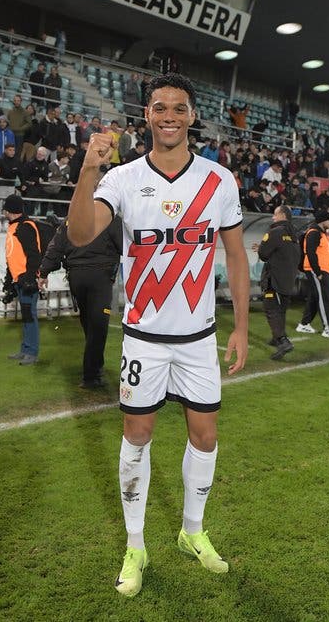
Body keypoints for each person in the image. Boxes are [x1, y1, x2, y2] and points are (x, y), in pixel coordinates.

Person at [68, 73, 249, 597]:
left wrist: (240, 325)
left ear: (192, 116)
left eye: (179, 107)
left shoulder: (219, 180)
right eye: (160, 108)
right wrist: (88, 169)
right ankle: (135, 545)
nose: (169, 116)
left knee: (206, 436)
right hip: (143, 339)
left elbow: (236, 255)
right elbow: (80, 234)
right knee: (137, 436)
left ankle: (192, 532)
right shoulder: (122, 178)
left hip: (198, 338)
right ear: (146, 116)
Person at [39, 216, 122, 387]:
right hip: (100, 276)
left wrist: (44, 271)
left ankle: (94, 367)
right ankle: (92, 375)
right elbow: (125, 245)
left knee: (89, 325)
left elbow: (56, 246)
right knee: (98, 327)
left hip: (77, 277)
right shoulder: (110, 217)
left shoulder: (72, 218)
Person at [254, 205, 300, 359]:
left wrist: (261, 248)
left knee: (271, 309)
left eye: (275, 214)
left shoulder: (275, 232)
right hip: (289, 279)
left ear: (283, 215)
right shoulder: (295, 233)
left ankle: (282, 341)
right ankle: (276, 337)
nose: (273, 218)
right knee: (281, 310)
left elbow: (263, 254)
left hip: (274, 279)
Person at [2, 194, 41, 365]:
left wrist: (29, 277)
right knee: (26, 315)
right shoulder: (16, 226)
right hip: (19, 279)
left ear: (9, 210)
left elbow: (34, 255)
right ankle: (26, 349)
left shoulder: (24, 227)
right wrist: (10, 280)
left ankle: (31, 352)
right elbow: (12, 256)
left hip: (26, 280)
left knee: (29, 315)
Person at [296, 210, 329, 338]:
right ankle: (327, 328)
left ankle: (304, 324)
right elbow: (310, 253)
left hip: (322, 269)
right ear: (323, 221)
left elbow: (324, 253)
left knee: (314, 297)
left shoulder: (323, 233)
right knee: (323, 298)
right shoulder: (314, 233)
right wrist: (317, 272)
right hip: (316, 270)